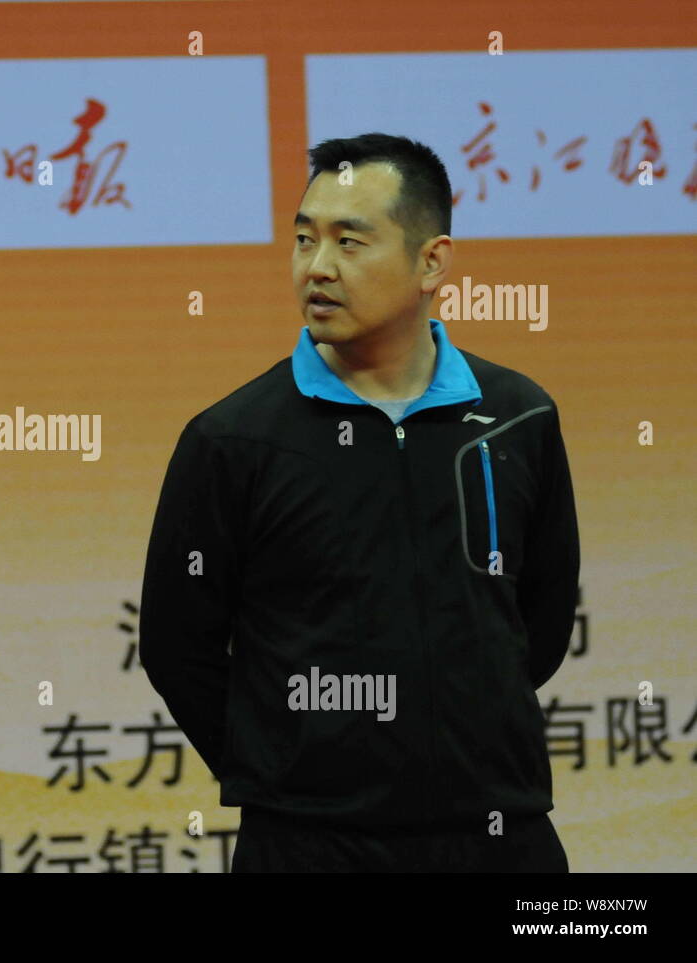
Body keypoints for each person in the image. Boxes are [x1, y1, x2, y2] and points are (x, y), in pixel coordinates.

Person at [139, 133, 578, 873]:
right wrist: (288, 769)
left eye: (349, 242)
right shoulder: (233, 439)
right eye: (304, 239)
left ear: (431, 262)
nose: (317, 267)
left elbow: (539, 622)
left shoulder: (517, 417)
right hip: (307, 843)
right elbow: (176, 646)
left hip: (499, 828)